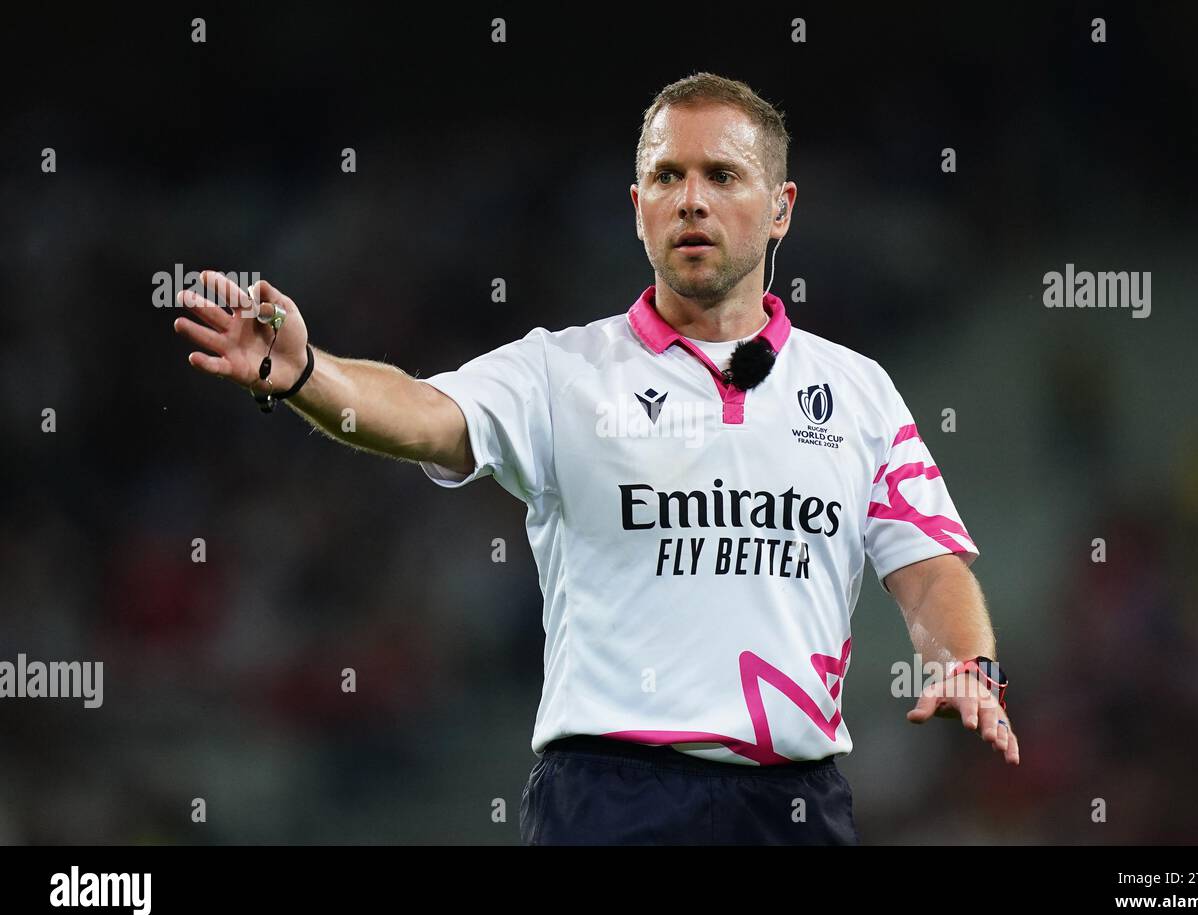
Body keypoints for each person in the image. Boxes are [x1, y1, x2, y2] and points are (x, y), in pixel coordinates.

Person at [173, 72, 1018, 846]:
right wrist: (309, 375)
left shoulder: (857, 390)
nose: (692, 200)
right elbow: (425, 414)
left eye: (722, 176)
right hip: (611, 803)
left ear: (782, 206)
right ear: (637, 205)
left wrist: (967, 664)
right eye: (667, 176)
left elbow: (930, 570)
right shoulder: (559, 371)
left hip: (793, 806)